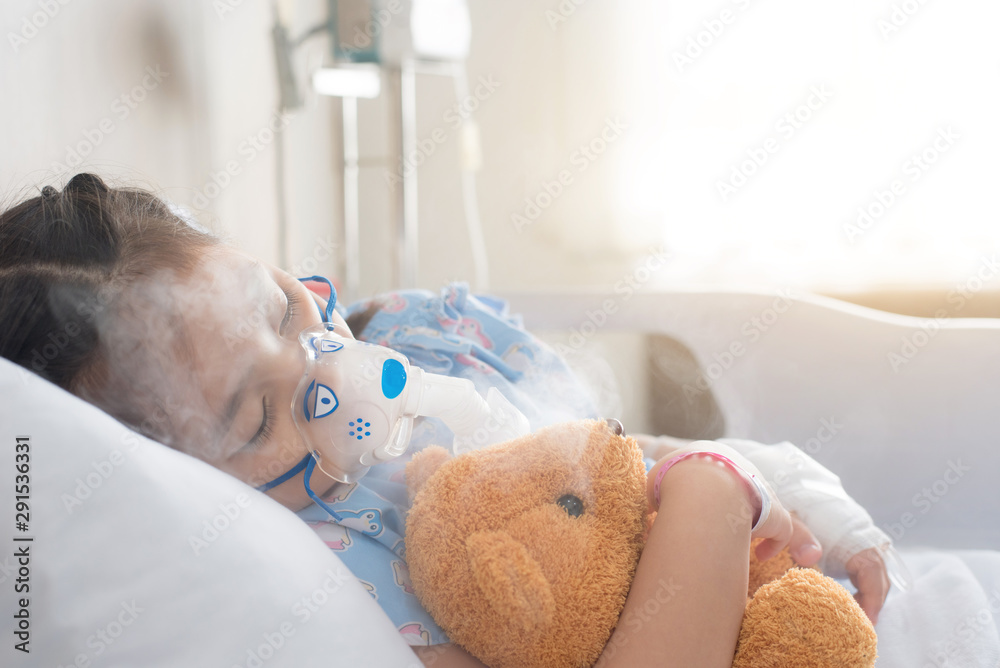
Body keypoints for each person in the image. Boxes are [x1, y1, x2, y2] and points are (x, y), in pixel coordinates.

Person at [0, 174, 891, 667]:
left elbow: (635, 454)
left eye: (278, 309)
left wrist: (808, 495)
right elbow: (693, 479)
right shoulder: (348, 580)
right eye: (254, 417)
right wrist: (719, 492)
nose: (318, 365)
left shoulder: (424, 338)